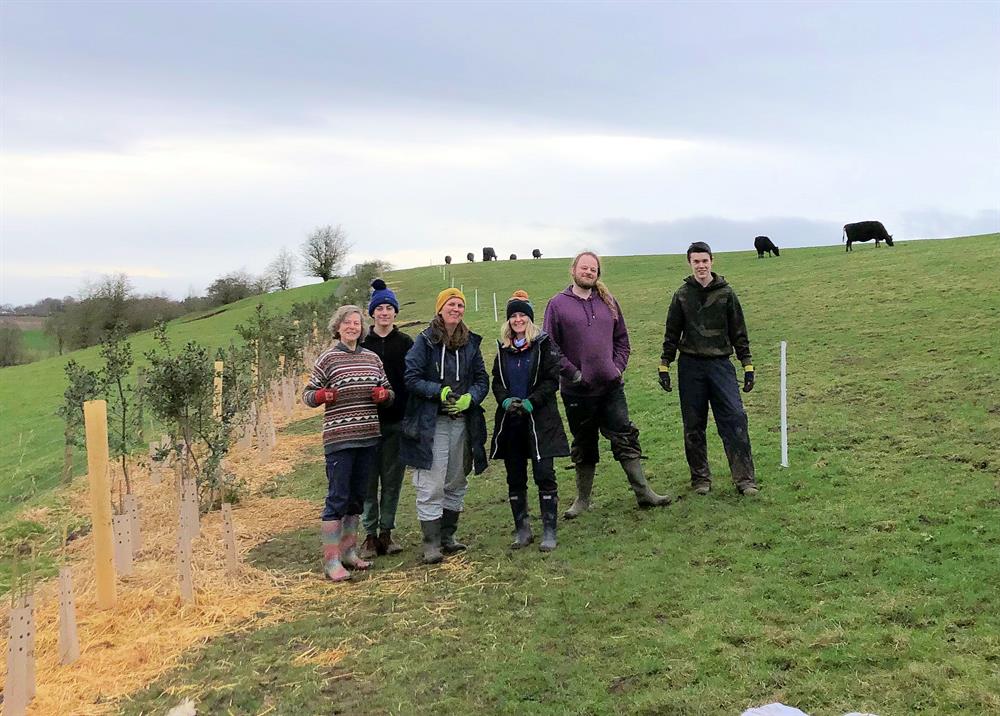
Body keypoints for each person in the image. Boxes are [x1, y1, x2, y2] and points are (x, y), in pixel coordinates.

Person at [543, 251, 672, 518]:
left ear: (598, 274)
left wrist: (617, 368)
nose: (588, 272)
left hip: (611, 389)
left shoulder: (608, 301)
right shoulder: (557, 304)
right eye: (584, 268)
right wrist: (574, 374)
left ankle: (643, 492)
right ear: (573, 270)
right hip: (577, 392)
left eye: (593, 269)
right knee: (584, 443)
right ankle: (582, 500)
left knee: (625, 437)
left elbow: (622, 340)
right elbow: (550, 348)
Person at [658, 241, 760, 496]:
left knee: (735, 419)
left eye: (705, 261)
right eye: (696, 261)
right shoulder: (682, 295)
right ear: (690, 263)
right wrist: (664, 365)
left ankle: (744, 479)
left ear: (712, 261)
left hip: (720, 366)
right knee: (694, 424)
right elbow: (671, 333)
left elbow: (739, 332)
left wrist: (747, 365)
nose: (701, 266)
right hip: (690, 367)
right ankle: (700, 479)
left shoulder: (727, 294)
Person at [303, 305, 394, 582]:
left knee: (357, 498)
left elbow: (389, 391)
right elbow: (307, 395)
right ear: (338, 327)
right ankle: (331, 561)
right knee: (337, 498)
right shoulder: (328, 359)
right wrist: (322, 396)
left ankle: (349, 552)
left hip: (368, 437)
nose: (353, 327)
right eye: (347, 323)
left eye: (357, 323)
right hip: (339, 439)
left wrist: (383, 395)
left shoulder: (372, 358)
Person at [400, 287, 489, 564]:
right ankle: (431, 543)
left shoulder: (471, 343)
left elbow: (482, 380)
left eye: (460, 305)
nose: (456, 309)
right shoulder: (425, 341)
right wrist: (437, 391)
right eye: (451, 304)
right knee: (431, 482)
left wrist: (469, 399)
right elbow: (411, 377)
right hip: (432, 422)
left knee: (456, 479)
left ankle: (449, 536)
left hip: (462, 421)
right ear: (440, 308)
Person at [489, 290, 570, 551]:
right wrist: (504, 401)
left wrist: (531, 402)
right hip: (511, 421)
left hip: (540, 421)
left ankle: (549, 530)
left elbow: (551, 379)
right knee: (515, 476)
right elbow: (497, 381)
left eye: (522, 314)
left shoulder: (544, 345)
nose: (518, 319)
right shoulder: (502, 349)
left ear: (530, 318)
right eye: (513, 315)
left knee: (544, 473)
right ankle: (522, 529)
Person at [359, 278, 414, 559]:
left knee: (392, 479)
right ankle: (368, 535)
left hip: (396, 420)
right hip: (365, 422)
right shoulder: (361, 344)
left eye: (388, 308)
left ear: (395, 313)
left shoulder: (406, 343)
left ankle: (386, 533)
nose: (384, 313)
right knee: (368, 481)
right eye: (379, 308)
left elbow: (412, 379)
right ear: (372, 313)